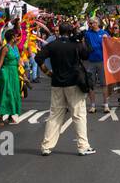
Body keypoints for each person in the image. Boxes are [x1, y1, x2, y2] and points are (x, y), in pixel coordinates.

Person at [35, 21, 94, 156]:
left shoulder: (52, 45)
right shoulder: (75, 45)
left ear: (59, 31)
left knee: (55, 115)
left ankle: (46, 146)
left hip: (57, 82)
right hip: (73, 83)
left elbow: (38, 58)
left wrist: (48, 72)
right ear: (70, 32)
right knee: (78, 115)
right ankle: (83, 146)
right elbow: (87, 54)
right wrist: (82, 40)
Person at [0, 26, 23, 125]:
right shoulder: (5, 48)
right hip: (6, 72)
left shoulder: (15, 48)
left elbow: (19, 61)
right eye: (15, 36)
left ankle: (10, 116)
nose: (17, 38)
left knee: (14, 93)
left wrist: (23, 75)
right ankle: (1, 118)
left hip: (14, 72)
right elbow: (0, 62)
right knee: (6, 94)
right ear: (12, 37)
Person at [82, 17, 109, 113]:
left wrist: (107, 40)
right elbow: (84, 45)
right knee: (91, 84)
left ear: (97, 23)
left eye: (92, 22)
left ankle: (106, 104)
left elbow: (110, 46)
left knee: (104, 84)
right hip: (91, 61)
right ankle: (92, 105)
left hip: (102, 61)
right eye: (90, 23)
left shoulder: (104, 33)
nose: (91, 24)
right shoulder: (87, 34)